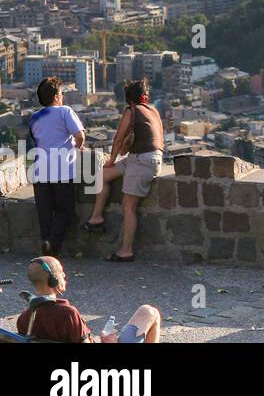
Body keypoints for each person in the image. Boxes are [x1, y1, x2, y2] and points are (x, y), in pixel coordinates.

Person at [82, 79, 165, 262]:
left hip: (142, 160)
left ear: (129, 99)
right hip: (141, 157)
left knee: (129, 206)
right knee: (101, 176)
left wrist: (111, 160)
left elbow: (118, 139)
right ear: (145, 96)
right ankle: (96, 218)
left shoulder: (131, 110)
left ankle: (125, 251)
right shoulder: (154, 110)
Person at [14, 256, 161, 343]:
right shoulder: (68, 314)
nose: (64, 275)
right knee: (149, 312)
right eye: (61, 272)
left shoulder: (24, 318)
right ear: (53, 280)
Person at [27, 77, 85, 257]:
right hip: (61, 169)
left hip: (39, 170)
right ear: (57, 96)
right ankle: (53, 244)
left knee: (45, 212)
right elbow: (79, 135)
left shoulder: (35, 117)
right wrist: (77, 147)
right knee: (65, 210)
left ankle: (47, 246)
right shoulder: (64, 112)